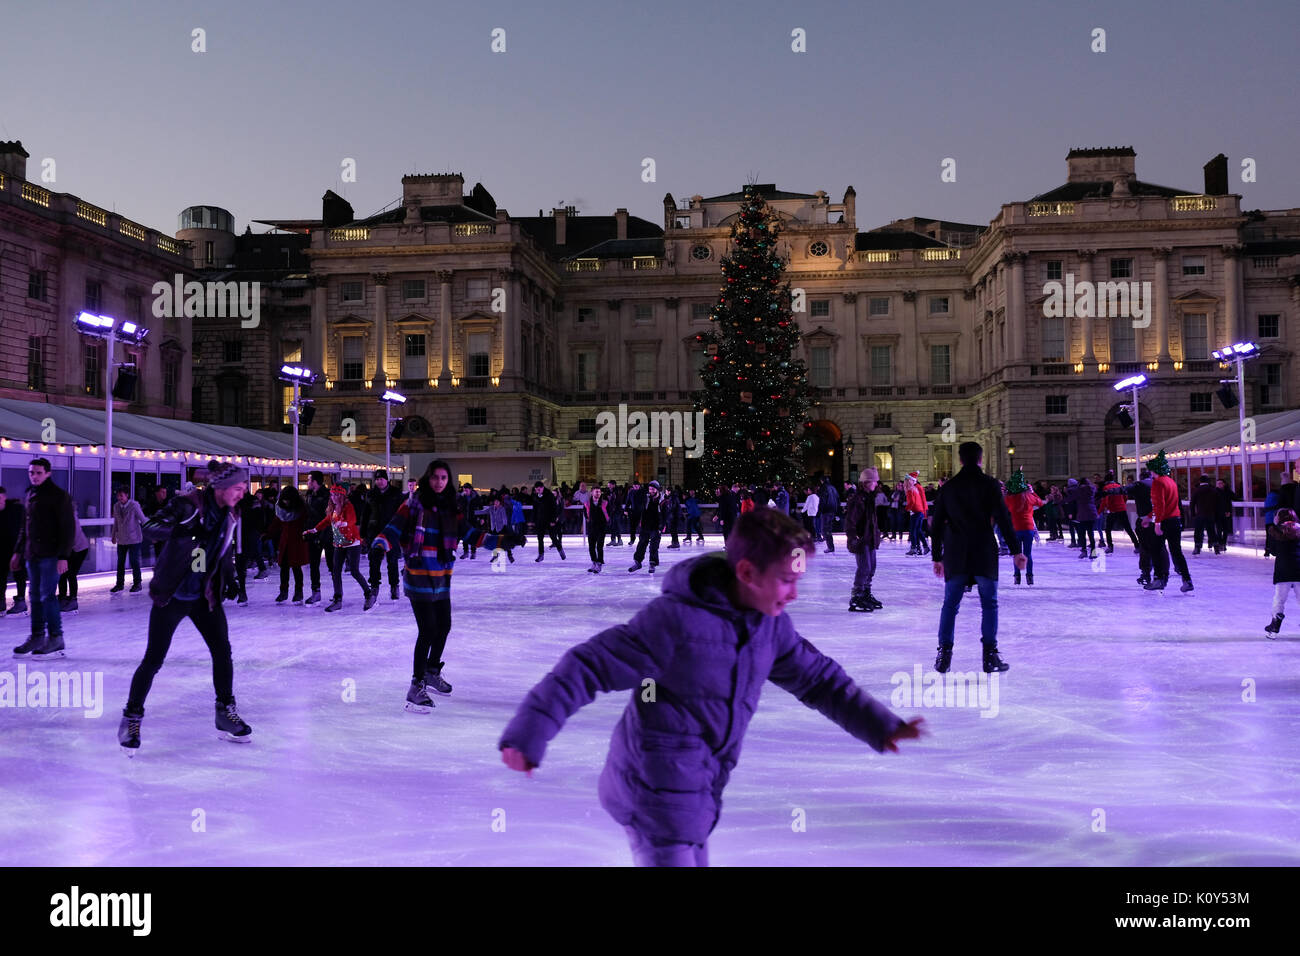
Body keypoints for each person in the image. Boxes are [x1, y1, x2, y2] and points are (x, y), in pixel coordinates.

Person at [498, 507, 925, 866]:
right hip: (653, 790)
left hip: (698, 787)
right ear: (746, 572)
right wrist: (528, 734)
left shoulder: (771, 627)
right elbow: (587, 667)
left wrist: (879, 724)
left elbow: (820, 681)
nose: (795, 594)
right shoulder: (674, 621)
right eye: (787, 580)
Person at [118, 463, 252, 755]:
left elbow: (224, 548)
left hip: (205, 596)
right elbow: (150, 527)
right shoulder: (187, 505)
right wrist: (182, 529)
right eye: (239, 488)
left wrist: (229, 578)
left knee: (222, 651)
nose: (243, 494)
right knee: (154, 659)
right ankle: (131, 717)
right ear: (221, 487)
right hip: (173, 594)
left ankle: (224, 712)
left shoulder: (231, 513)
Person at [372, 459, 521, 713]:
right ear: (427, 479)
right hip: (419, 575)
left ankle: (431, 671)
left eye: (443, 478)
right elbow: (392, 528)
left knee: (444, 626)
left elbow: (472, 535)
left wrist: (503, 541)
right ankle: (416, 685)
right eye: (434, 477)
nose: (439, 482)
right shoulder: (413, 504)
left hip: (441, 577)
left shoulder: (452, 508)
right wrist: (379, 546)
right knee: (428, 629)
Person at [928, 442, 1026, 674]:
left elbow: (936, 525)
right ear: (981, 459)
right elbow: (1004, 518)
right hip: (983, 551)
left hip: (956, 552)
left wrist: (937, 557)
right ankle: (990, 656)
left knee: (950, 605)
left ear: (960, 460)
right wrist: (1015, 551)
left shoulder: (949, 487)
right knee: (989, 604)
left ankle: (944, 655)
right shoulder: (990, 485)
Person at [11, 459, 75, 660]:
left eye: (38, 472)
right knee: (35, 596)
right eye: (31, 472)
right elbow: (25, 526)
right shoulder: (30, 493)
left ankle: (56, 637)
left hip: (51, 555)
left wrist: (64, 556)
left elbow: (68, 529)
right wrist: (18, 551)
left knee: (47, 596)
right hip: (32, 554)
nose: (34, 476)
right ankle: (38, 636)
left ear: (48, 473)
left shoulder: (59, 496)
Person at [305, 485, 375, 613]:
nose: (334, 497)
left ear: (342, 496)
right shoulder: (332, 509)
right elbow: (327, 520)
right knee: (336, 571)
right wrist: (315, 529)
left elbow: (352, 519)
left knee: (354, 571)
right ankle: (338, 600)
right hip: (339, 544)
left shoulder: (348, 506)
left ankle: (369, 594)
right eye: (332, 495)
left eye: (337, 495)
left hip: (353, 543)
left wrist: (343, 523)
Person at [1144, 450, 1193, 593]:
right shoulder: (1171, 481)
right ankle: (1187, 580)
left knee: (1156, 549)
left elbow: (1160, 504)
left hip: (1164, 521)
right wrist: (1148, 516)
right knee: (1176, 551)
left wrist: (1157, 523)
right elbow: (1171, 503)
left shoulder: (1157, 483)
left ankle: (1159, 579)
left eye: (1151, 470)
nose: (1150, 473)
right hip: (1175, 520)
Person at [844, 468, 884, 612]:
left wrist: (876, 534)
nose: (876, 483)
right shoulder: (858, 499)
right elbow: (850, 521)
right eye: (874, 481)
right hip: (861, 539)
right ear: (867, 482)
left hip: (870, 538)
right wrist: (853, 538)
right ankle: (856, 597)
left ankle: (866, 593)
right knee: (864, 568)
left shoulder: (869, 498)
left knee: (871, 567)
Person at [264, 486, 309, 604]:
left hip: (298, 542)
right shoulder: (280, 510)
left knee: (296, 568)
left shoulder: (301, 511)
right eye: (284, 499)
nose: (286, 502)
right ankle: (283, 592)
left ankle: (298, 592)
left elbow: (308, 523)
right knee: (283, 568)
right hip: (285, 543)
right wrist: (267, 534)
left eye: (288, 500)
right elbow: (276, 523)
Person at [366, 469, 404, 599]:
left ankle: (394, 586)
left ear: (387, 480)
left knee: (392, 561)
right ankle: (374, 586)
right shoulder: (371, 494)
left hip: (391, 532)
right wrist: (363, 533)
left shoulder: (396, 493)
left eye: (381, 479)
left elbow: (402, 513)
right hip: (375, 532)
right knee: (374, 561)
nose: (379, 482)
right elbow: (365, 514)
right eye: (377, 479)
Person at [1003, 469, 1043, 586]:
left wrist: (1005, 493)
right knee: (1028, 553)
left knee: (1017, 553)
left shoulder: (1010, 499)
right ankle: (1029, 576)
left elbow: (1001, 503)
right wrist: (1032, 492)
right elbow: (1040, 503)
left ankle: (1017, 576)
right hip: (1028, 528)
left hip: (1015, 528)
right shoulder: (1029, 497)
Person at [1265, 508, 1300, 637]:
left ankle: (1274, 626)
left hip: (1283, 569)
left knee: (1279, 599)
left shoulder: (1274, 531)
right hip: (1299, 568)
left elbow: (1273, 551)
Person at [109, 488, 147, 593]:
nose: (119, 498)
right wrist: (113, 536)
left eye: (121, 495)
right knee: (120, 562)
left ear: (127, 495)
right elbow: (116, 522)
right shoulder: (116, 506)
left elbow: (143, 520)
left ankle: (137, 583)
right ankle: (119, 584)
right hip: (121, 539)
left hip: (134, 539)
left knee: (134, 561)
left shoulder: (134, 506)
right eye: (118, 496)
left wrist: (152, 533)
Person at [303, 471, 332, 606]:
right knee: (313, 564)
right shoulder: (309, 495)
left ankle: (338, 592)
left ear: (315, 482)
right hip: (313, 533)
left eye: (309, 480)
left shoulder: (327, 496)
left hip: (326, 534)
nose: (307, 482)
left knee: (332, 565)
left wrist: (323, 534)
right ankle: (316, 592)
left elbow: (329, 517)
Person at [57, 504, 91, 613]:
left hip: (79, 549)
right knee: (62, 573)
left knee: (70, 573)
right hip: (69, 548)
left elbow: (69, 538)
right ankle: (62, 598)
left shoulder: (70, 518)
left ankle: (73, 600)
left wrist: (63, 557)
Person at [628, 480, 667, 574]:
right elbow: (640, 507)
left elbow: (665, 515)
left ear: (657, 490)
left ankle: (652, 564)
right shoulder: (646, 498)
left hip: (656, 527)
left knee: (654, 547)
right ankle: (637, 562)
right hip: (645, 525)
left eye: (653, 489)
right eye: (650, 489)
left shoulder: (662, 501)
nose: (651, 491)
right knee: (641, 544)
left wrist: (662, 527)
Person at [1127, 468, 1157, 587]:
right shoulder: (1157, 485)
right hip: (1156, 520)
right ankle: (1156, 573)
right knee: (1156, 547)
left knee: (1145, 547)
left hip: (1146, 520)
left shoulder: (1139, 487)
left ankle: (1146, 573)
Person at [0, 487, 26, 616]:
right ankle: (1, 602)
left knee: (19, 575)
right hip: (3, 550)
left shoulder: (17, 510)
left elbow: (24, 529)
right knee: (1, 575)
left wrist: (19, 550)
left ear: (4, 497)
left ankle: (21, 601)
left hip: (18, 549)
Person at [1098, 471, 1138, 554]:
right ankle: (1137, 545)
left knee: (1108, 529)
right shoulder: (1118, 486)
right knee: (1128, 529)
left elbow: (1105, 501)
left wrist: (1099, 511)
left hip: (1113, 510)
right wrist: (1123, 503)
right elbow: (1125, 496)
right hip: (1122, 509)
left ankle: (1110, 546)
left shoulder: (1106, 488)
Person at [531, 482, 565, 562]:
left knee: (553, 537)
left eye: (539, 488)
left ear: (543, 487)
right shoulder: (535, 496)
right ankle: (541, 555)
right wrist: (533, 520)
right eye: (536, 489)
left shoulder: (550, 495)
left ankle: (560, 550)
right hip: (540, 521)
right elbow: (535, 509)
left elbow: (554, 508)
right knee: (540, 538)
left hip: (549, 520)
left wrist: (553, 520)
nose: (538, 490)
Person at [1190, 475, 1219, 556]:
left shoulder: (1197, 490)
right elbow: (1217, 503)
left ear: (1200, 481)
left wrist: (1193, 514)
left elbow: (1192, 503)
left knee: (1198, 531)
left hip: (1200, 514)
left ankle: (1197, 548)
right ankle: (1216, 547)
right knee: (1212, 530)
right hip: (1210, 514)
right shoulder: (1213, 490)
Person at [586, 485, 610, 572]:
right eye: (596, 492)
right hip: (592, 527)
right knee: (591, 547)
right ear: (592, 492)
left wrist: (607, 522)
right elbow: (585, 514)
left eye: (599, 492)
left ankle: (599, 563)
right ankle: (594, 562)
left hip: (601, 527)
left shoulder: (604, 503)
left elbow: (609, 513)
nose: (598, 493)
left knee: (599, 546)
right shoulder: (587, 503)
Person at [905, 473, 929, 555]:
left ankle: (915, 548)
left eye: (908, 480)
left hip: (916, 511)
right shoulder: (915, 488)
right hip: (919, 511)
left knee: (913, 531)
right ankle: (922, 547)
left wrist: (907, 509)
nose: (906, 482)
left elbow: (914, 501)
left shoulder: (913, 489)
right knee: (917, 530)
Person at [820, 476, 839, 553]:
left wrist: (820, 510)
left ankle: (830, 547)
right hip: (832, 510)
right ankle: (830, 546)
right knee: (828, 529)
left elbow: (822, 500)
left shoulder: (824, 488)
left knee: (826, 529)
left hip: (826, 511)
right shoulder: (833, 488)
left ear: (822, 481)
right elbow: (838, 499)